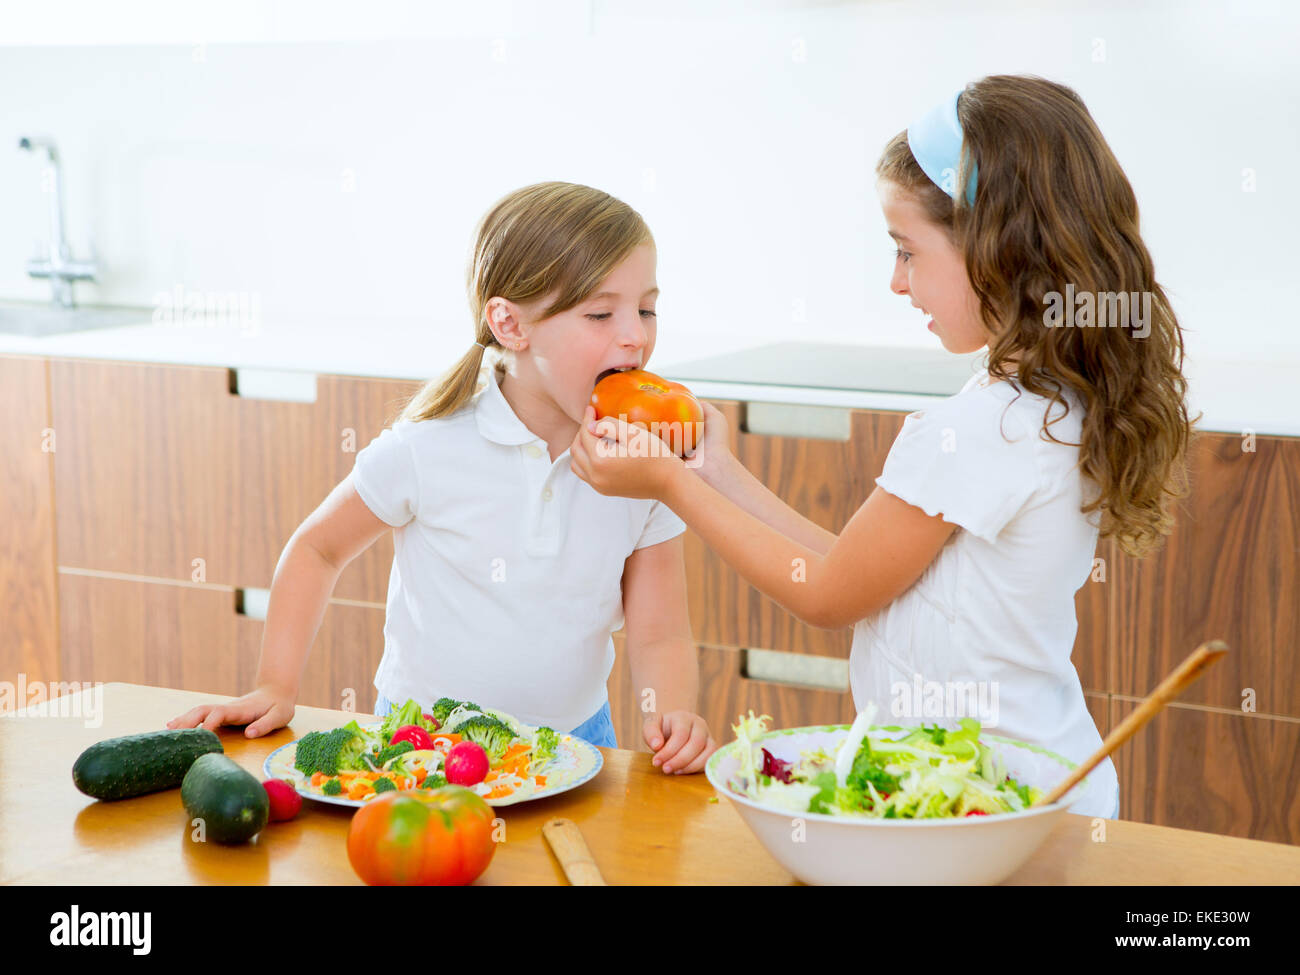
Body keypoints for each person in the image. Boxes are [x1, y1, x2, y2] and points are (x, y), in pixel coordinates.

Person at [571, 75, 1198, 818]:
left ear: (997, 249)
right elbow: (858, 572)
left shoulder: (976, 431)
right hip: (1036, 784)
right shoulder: (1043, 402)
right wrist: (717, 471)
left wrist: (672, 486)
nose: (897, 282)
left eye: (907, 251)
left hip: (988, 803)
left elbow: (828, 595)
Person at [169, 181, 717, 774]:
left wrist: (674, 712)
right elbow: (317, 549)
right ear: (510, 324)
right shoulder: (428, 447)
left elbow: (660, 632)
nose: (635, 334)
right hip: (422, 743)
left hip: (577, 743)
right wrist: (274, 684)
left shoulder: (653, 467)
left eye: (646, 308)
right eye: (600, 314)